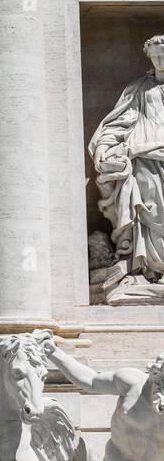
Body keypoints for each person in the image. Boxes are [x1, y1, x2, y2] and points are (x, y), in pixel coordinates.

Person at [89, 35, 164, 281]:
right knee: (148, 204)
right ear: (149, 57)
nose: (160, 60)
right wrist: (104, 144)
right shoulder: (139, 87)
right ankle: (149, 266)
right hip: (144, 155)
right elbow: (120, 120)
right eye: (156, 56)